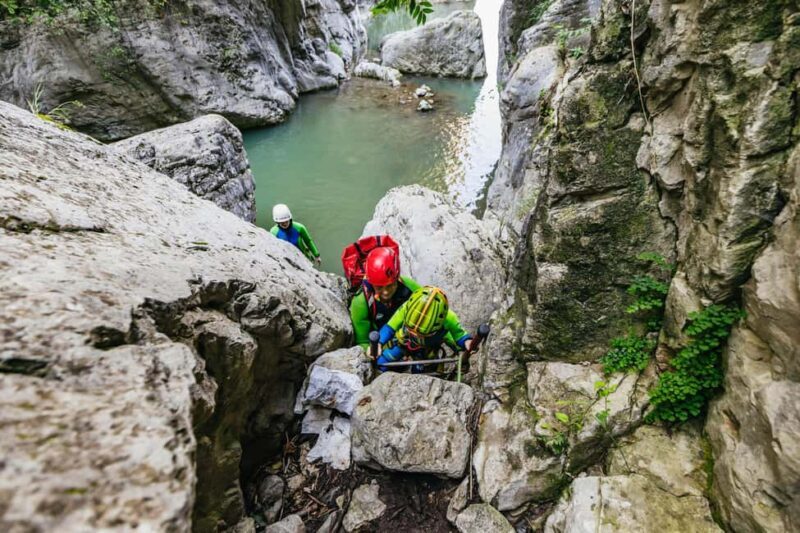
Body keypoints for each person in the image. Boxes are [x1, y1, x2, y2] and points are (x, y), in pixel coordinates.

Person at [376, 286, 474, 373]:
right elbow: (390, 327)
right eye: (411, 329)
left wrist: (467, 341)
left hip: (426, 350)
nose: (415, 334)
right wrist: (379, 343)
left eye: (421, 334)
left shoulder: (449, 318)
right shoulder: (407, 307)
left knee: (419, 373)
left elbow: (459, 335)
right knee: (382, 362)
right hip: (403, 341)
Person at [350, 247, 421, 350]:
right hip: (380, 342)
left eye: (390, 285)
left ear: (397, 278)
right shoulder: (361, 302)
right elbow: (363, 341)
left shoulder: (409, 287)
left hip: (407, 335)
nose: (386, 292)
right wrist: (372, 351)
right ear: (371, 283)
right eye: (379, 287)